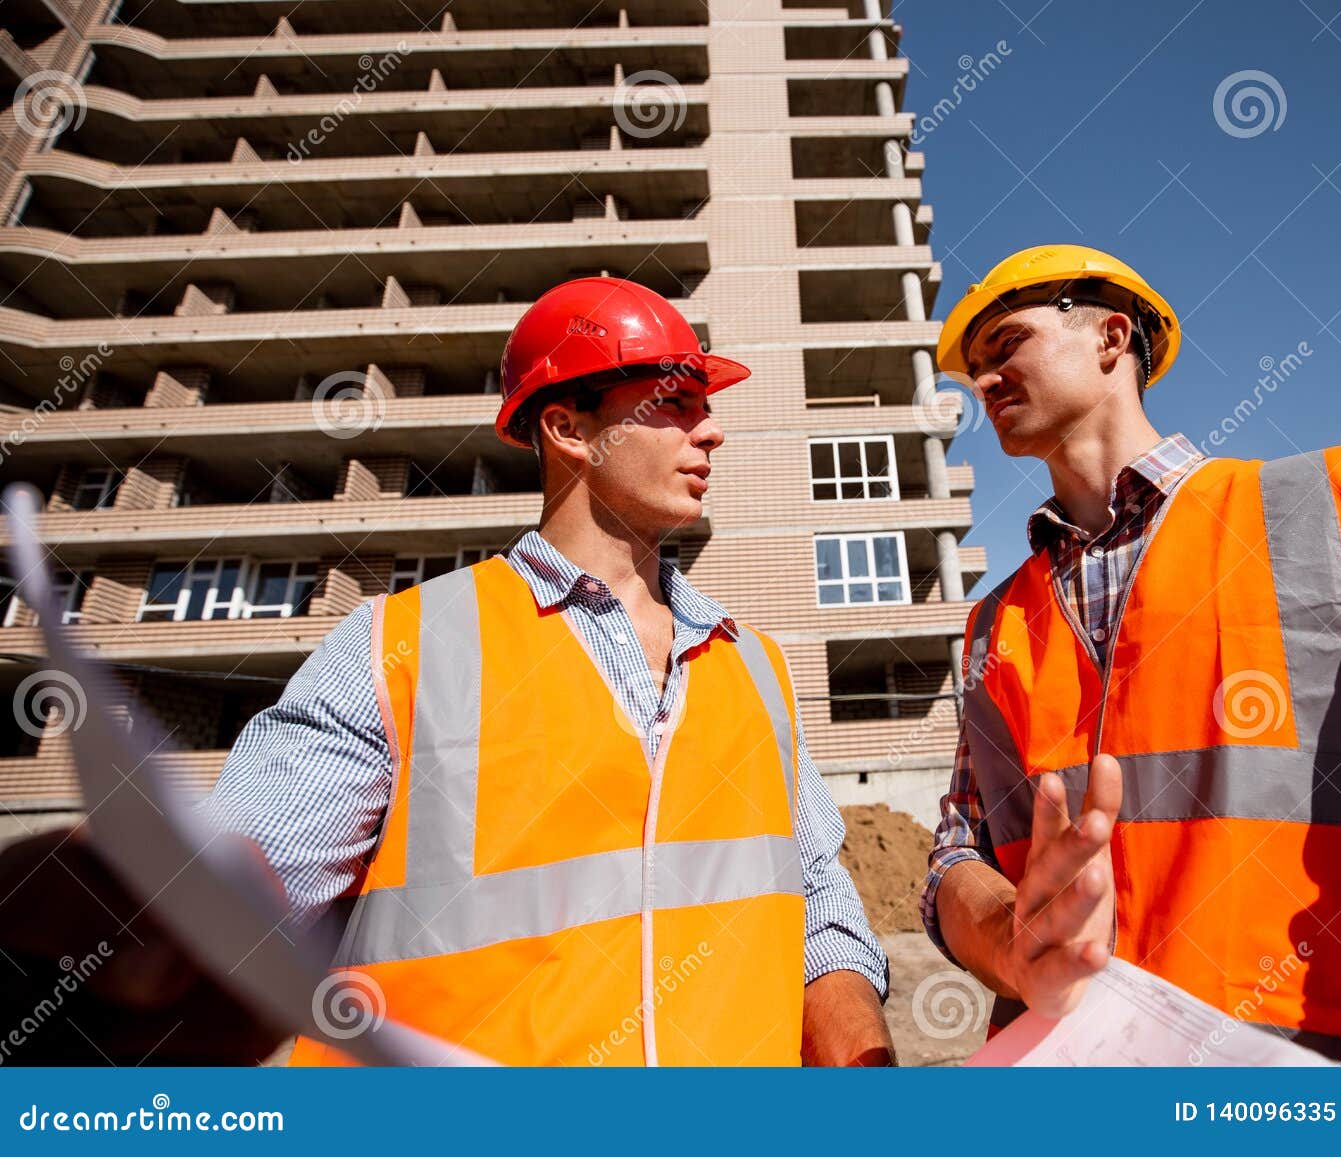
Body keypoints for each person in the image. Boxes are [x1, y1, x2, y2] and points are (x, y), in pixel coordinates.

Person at [0, 277, 894, 1067]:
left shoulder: (755, 662)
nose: (713, 430)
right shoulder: (404, 644)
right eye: (673, 402)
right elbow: (245, 871)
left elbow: (817, 909)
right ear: (567, 428)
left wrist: (862, 1065)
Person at [921, 244, 1341, 1065]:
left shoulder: (1340, 506)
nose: (984, 381)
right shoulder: (997, 622)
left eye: (1006, 346)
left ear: (1109, 337)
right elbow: (959, 854)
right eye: (974, 370)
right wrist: (1007, 942)